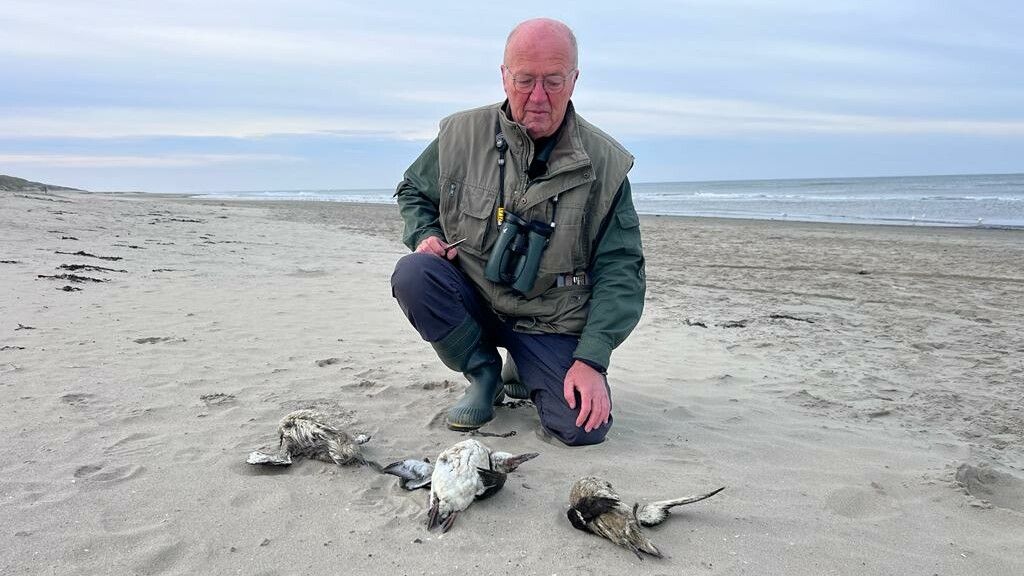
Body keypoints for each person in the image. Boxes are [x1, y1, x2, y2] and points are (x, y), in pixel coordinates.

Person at [391, 17, 645, 446]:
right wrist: (424, 235)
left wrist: (592, 360)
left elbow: (621, 269)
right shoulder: (460, 135)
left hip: (551, 320)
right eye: (525, 80)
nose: (538, 97)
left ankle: (524, 366)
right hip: (475, 301)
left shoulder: (607, 163)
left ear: (574, 80)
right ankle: (484, 373)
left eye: (553, 81)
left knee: (582, 429)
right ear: (504, 77)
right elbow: (413, 189)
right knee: (414, 273)